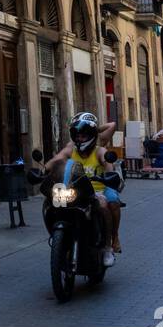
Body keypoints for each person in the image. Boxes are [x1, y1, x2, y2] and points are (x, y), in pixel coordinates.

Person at [43, 113, 122, 266]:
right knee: (49, 202)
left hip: (97, 191)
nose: (79, 138)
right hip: (75, 190)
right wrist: (42, 171)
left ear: (92, 135)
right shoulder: (70, 149)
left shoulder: (100, 151)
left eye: (83, 135)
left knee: (107, 204)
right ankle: (59, 237)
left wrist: (110, 174)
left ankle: (108, 246)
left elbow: (108, 166)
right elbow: (57, 159)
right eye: (77, 135)